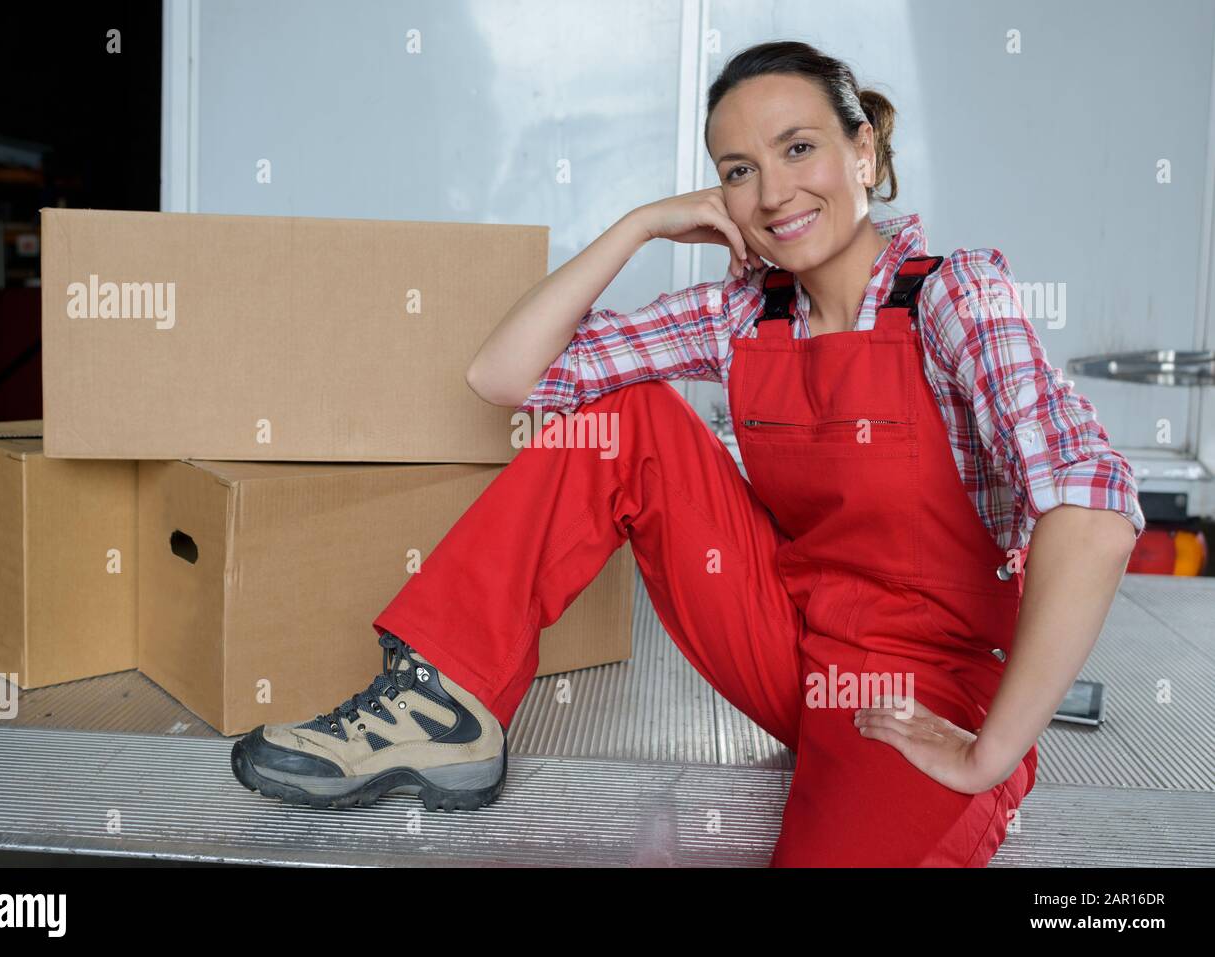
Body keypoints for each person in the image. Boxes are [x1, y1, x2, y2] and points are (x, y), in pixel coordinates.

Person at [230, 40, 1144, 866]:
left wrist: (992, 748)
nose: (775, 193)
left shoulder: (955, 298)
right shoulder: (741, 315)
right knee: (625, 420)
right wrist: (641, 225)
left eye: (798, 148)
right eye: (739, 169)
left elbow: (1095, 510)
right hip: (790, 649)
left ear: (863, 151)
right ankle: (446, 708)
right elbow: (504, 376)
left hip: (927, 691)